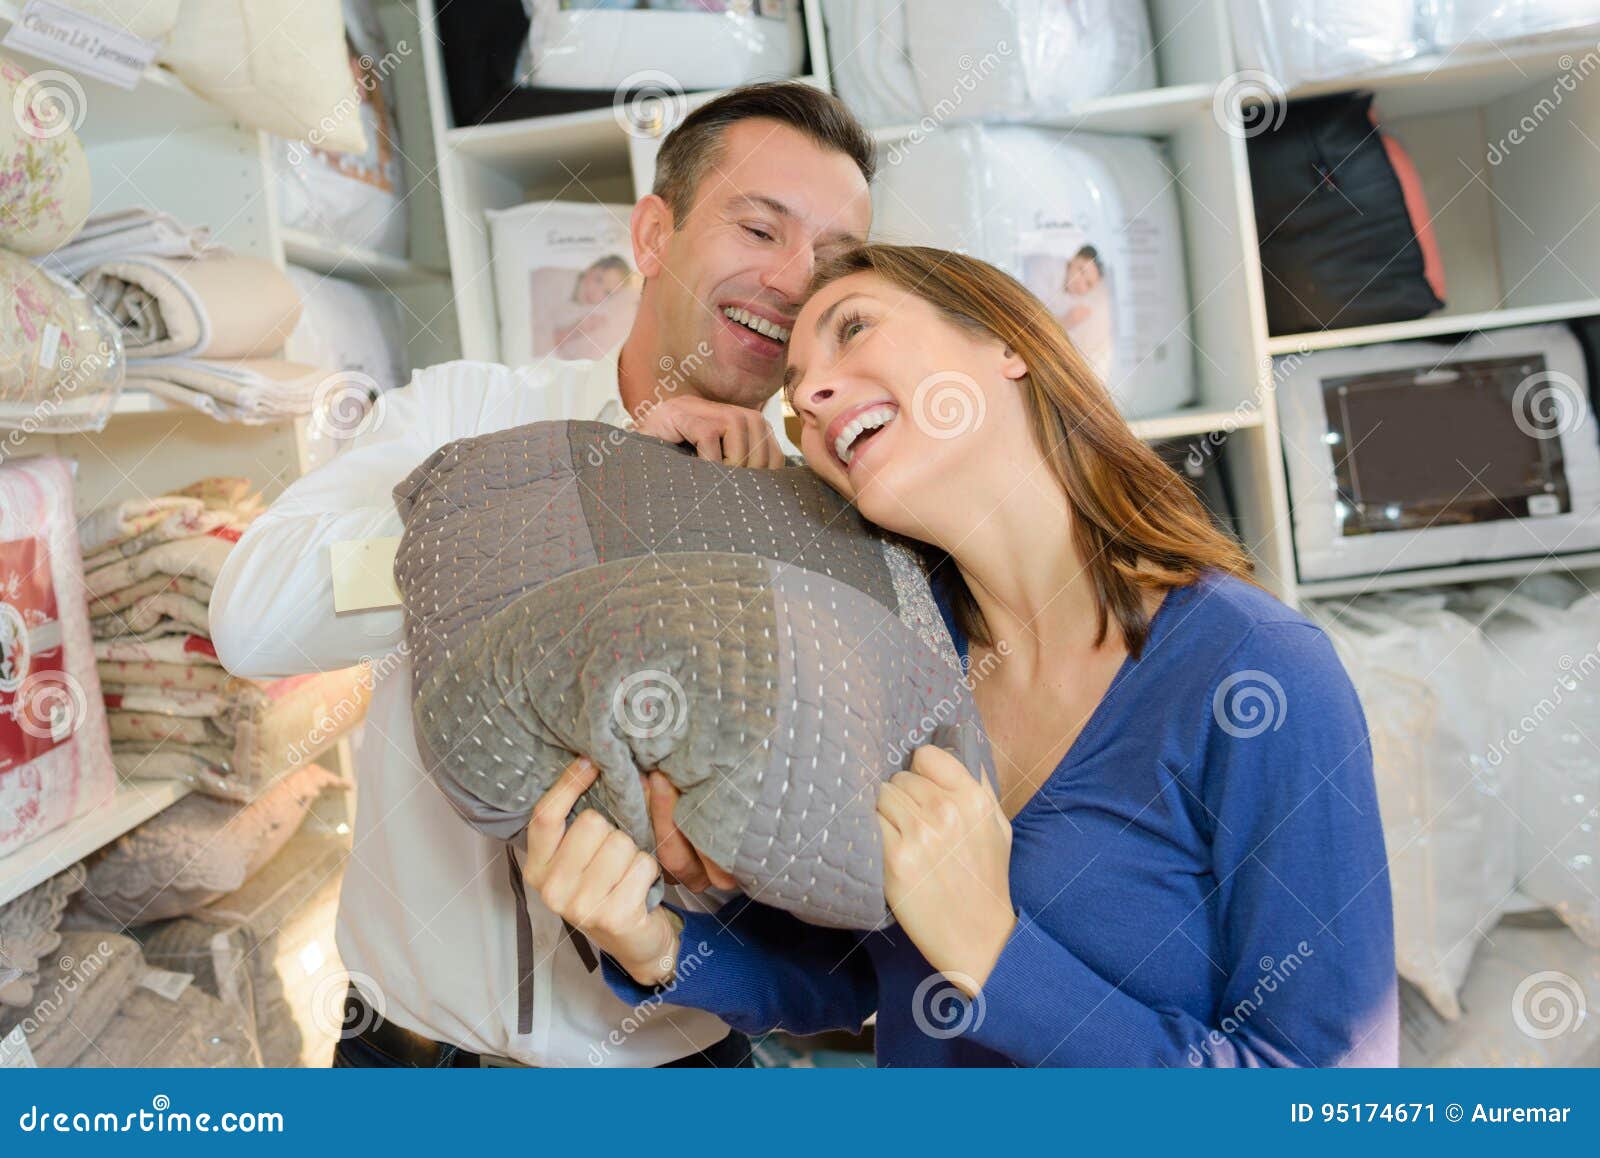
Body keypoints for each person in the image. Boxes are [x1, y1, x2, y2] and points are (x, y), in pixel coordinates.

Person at [529, 244, 1400, 1067]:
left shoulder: (1256, 672)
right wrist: (656, 944)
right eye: (794, 395)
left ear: (1007, 343)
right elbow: (852, 972)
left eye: (855, 328)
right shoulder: (888, 659)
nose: (811, 400)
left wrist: (995, 953)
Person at [209, 81, 875, 1068]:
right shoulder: (459, 418)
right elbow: (253, 622)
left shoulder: (824, 522)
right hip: (401, 1058)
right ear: (653, 235)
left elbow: (835, 902)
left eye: (830, 260)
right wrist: (583, 498)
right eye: (758, 228)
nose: (790, 279)